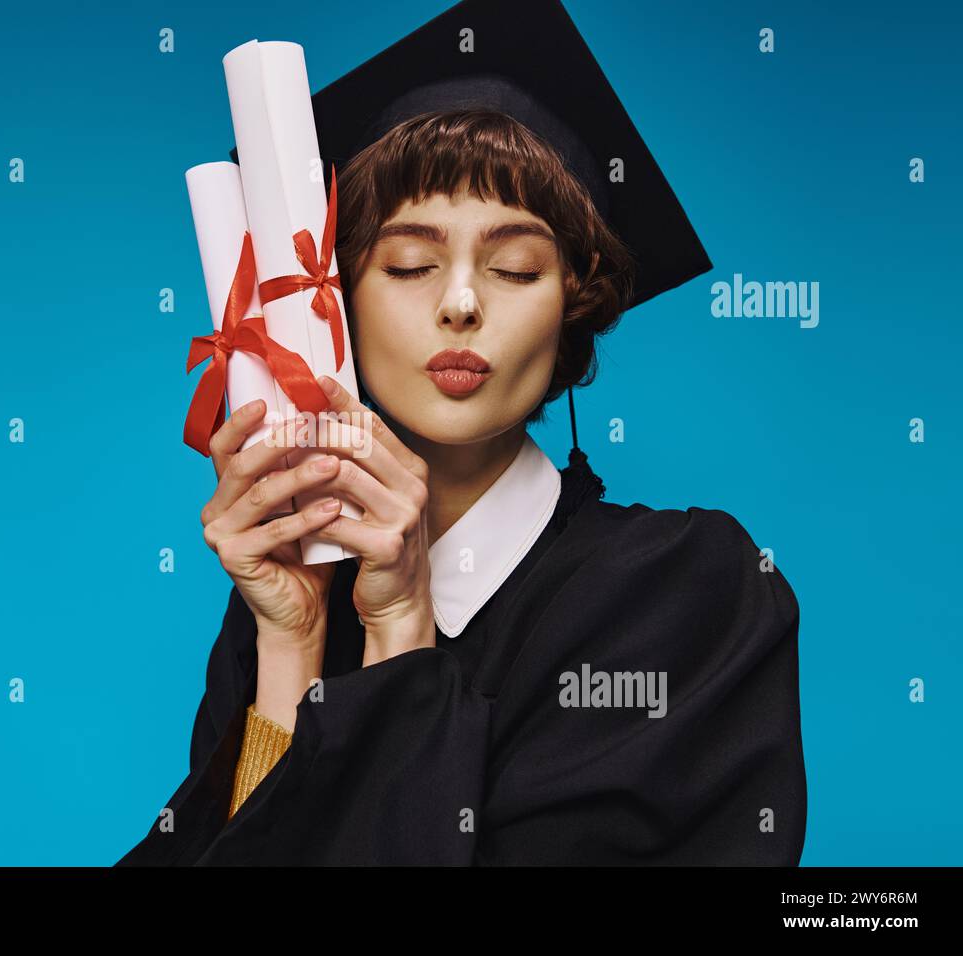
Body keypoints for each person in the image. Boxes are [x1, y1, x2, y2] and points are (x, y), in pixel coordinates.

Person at [117, 0, 807, 865]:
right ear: (338, 299)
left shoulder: (686, 592)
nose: (462, 303)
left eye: (516, 267)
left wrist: (401, 632)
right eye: (410, 264)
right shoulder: (289, 599)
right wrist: (291, 647)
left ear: (573, 305)